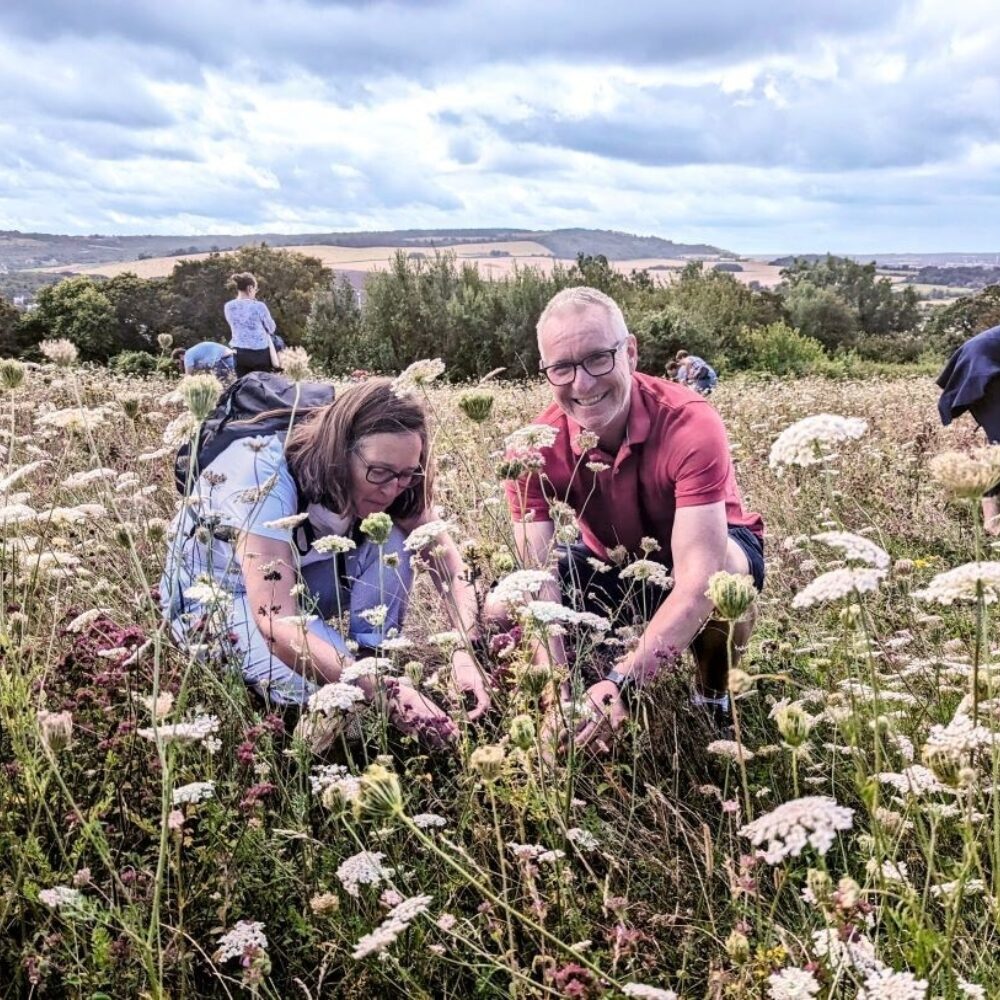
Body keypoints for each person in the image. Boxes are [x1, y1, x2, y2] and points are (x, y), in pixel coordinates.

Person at [502, 287, 764, 751]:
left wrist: (622, 683)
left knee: (725, 578)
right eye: (562, 367)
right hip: (613, 559)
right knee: (499, 607)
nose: (582, 384)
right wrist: (556, 696)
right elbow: (536, 579)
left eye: (599, 358)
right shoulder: (529, 452)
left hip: (705, 553)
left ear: (630, 351)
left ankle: (711, 697)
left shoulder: (689, 421)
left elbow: (699, 579)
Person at [160, 378, 490, 740]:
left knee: (392, 536)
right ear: (338, 452)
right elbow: (276, 621)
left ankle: (373, 655)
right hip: (220, 594)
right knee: (321, 688)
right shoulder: (260, 475)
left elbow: (452, 568)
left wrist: (464, 650)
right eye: (379, 472)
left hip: (299, 575)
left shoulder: (398, 479)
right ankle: (364, 682)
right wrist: (389, 695)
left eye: (407, 474)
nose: (392, 489)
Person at [937, 324, 1000, 534]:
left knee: (997, 445)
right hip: (982, 367)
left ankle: (992, 521)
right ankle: (993, 523)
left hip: (982, 362)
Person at [224, 272, 279, 378]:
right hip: (260, 353)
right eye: (255, 289)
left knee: (244, 387)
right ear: (250, 288)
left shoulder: (228, 306)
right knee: (263, 386)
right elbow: (271, 328)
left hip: (239, 353)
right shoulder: (259, 306)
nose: (255, 292)